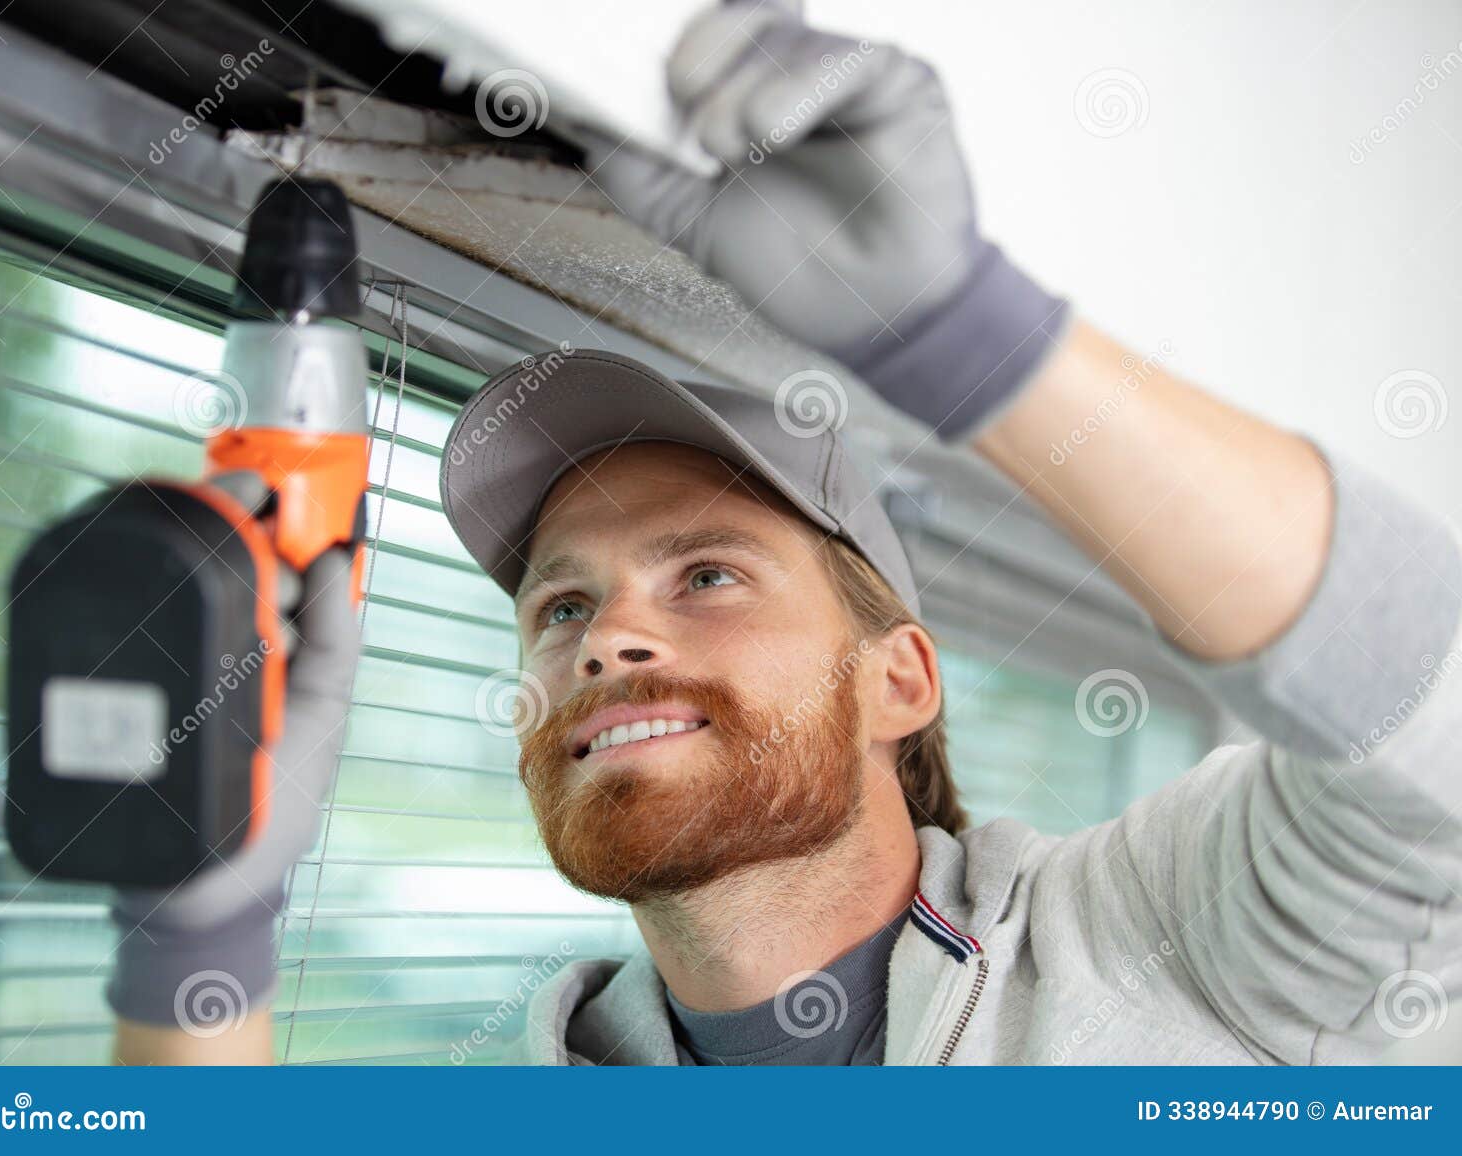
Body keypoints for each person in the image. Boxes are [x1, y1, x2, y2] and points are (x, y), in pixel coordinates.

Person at [108, 4, 1462, 1064]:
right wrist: (196, 928)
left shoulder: (1167, 940)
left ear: (900, 679)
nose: (606, 638)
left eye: (707, 574)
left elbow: (1428, 728)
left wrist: (969, 336)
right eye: (561, 606)